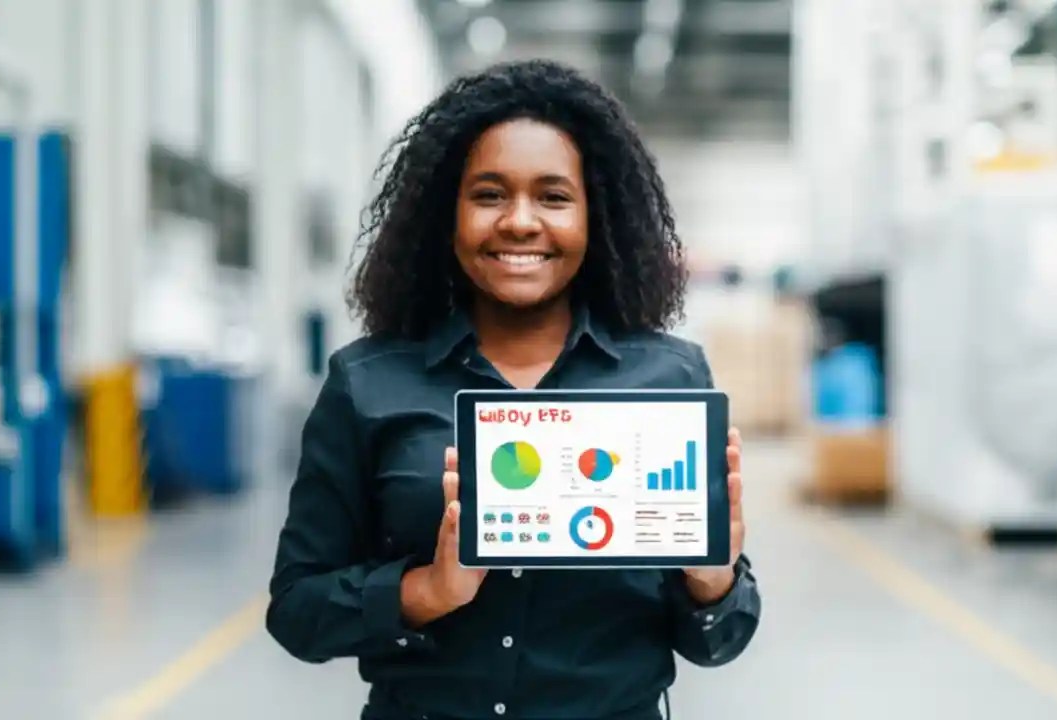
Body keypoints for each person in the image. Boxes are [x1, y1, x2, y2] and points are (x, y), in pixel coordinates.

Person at [267, 59, 762, 720]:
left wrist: (712, 579)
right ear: (447, 213)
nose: (520, 222)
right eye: (489, 194)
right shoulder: (368, 383)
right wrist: (425, 591)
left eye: (554, 197)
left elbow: (717, 641)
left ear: (597, 215)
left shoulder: (668, 380)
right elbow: (297, 611)